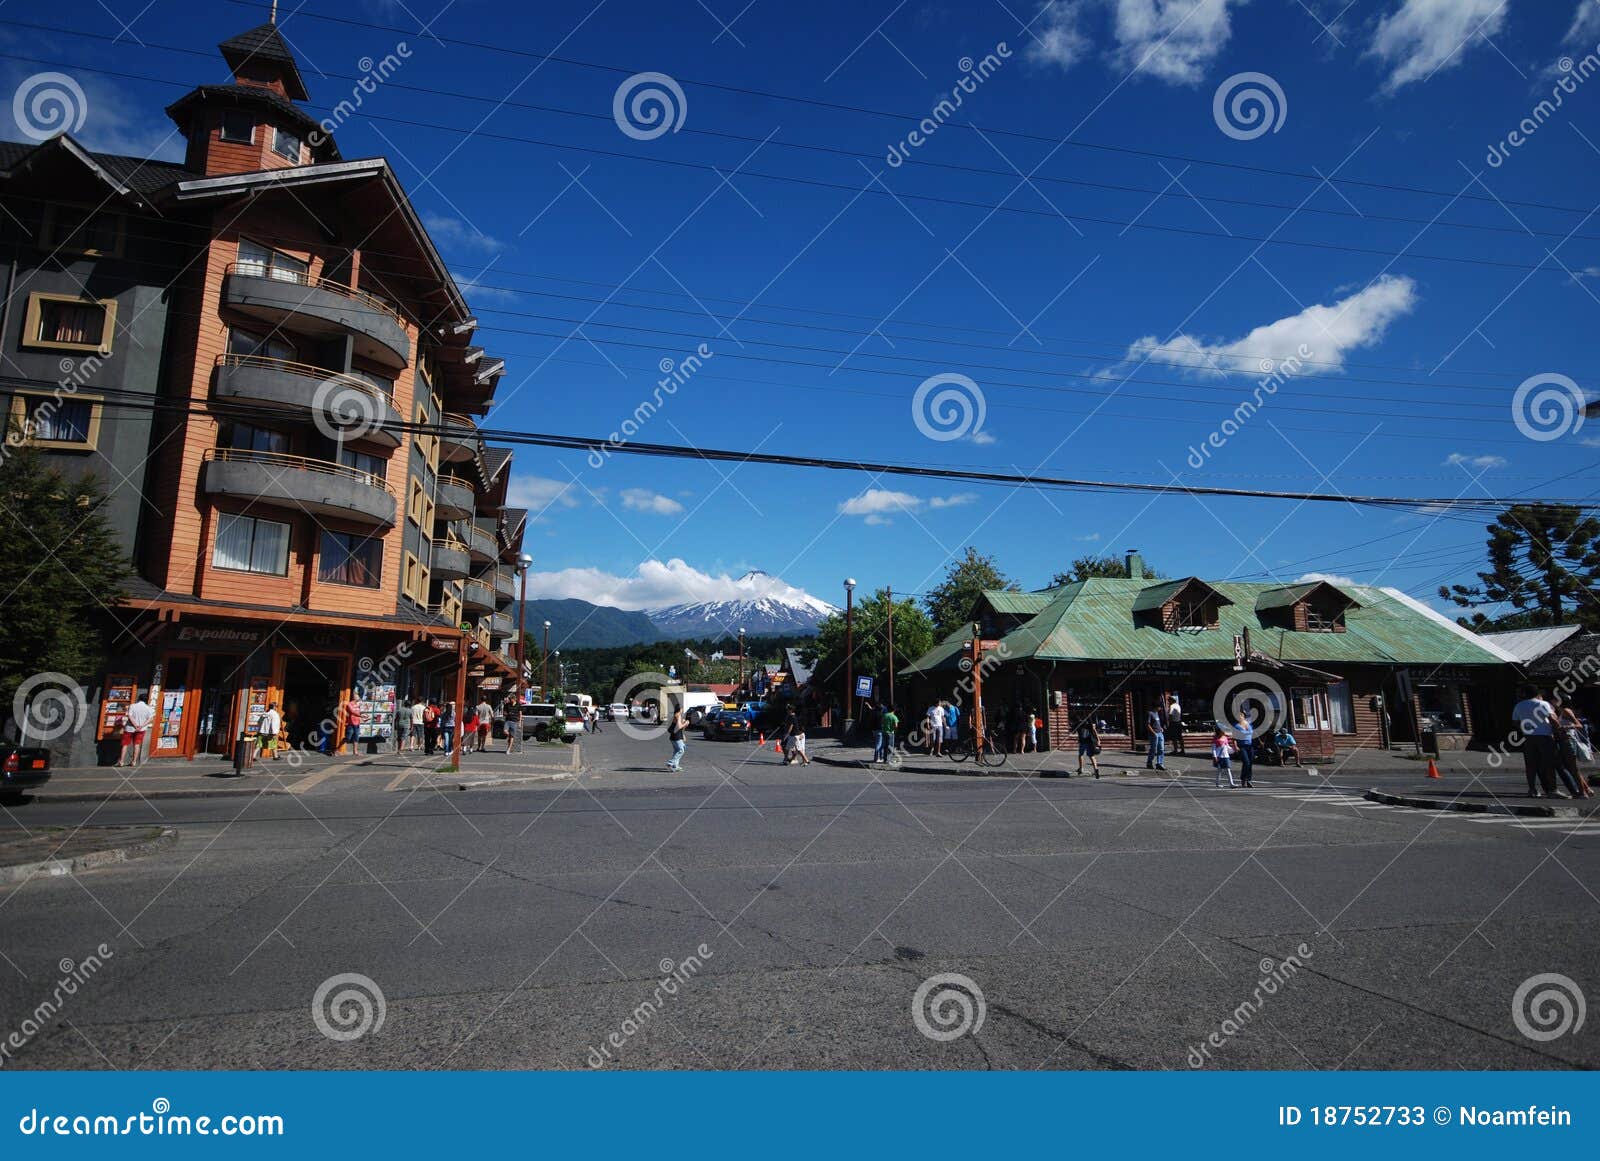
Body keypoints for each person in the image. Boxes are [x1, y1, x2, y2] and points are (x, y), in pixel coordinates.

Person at [1511, 684, 1561, 798]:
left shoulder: (1519, 705)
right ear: (1537, 693)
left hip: (1528, 737)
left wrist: (1525, 729)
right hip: (1544, 736)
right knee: (1548, 764)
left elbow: (1515, 722)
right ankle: (1553, 790)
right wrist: (1558, 731)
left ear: (1524, 694)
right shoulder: (1543, 704)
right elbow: (1552, 719)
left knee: (1531, 765)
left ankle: (1532, 789)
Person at [1554, 704, 1592, 798]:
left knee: (1573, 768)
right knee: (1570, 768)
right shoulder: (1558, 712)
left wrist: (1567, 727)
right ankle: (1586, 789)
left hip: (1569, 740)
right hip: (1562, 741)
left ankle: (1583, 793)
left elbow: (1579, 725)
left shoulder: (1566, 710)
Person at [116, 691, 154, 768]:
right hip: (141, 729)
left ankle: (121, 761)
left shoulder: (132, 706)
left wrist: (135, 725)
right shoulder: (149, 708)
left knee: (125, 744)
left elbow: (130, 716)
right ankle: (134, 761)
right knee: (137, 745)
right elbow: (150, 719)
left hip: (129, 728)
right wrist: (141, 726)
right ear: (147, 700)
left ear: (139, 698)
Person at [1234, 711, 1254, 787]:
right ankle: (1243, 779)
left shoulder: (1249, 724)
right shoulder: (1236, 726)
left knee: (1250, 763)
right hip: (1241, 746)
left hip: (1250, 745)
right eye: (1238, 715)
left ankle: (1249, 780)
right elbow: (1234, 738)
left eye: (1241, 715)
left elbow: (1253, 734)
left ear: (1244, 716)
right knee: (1246, 762)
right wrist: (1235, 746)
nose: (1239, 717)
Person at [1145, 704, 1167, 771]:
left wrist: (1161, 728)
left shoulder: (1157, 714)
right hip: (1154, 734)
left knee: (1161, 749)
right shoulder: (1150, 713)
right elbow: (1148, 724)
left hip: (1160, 733)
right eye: (1160, 707)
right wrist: (1153, 733)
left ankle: (1159, 763)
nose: (1160, 708)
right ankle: (1149, 762)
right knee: (1153, 749)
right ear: (1156, 707)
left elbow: (1157, 723)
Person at [666, 707, 688, 772]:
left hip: (675, 736)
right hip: (676, 737)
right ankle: (671, 763)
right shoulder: (678, 716)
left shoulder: (676, 716)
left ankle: (675, 765)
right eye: (682, 708)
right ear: (680, 709)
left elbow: (679, 727)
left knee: (677, 750)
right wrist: (685, 723)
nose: (683, 710)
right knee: (681, 750)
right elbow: (679, 727)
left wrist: (683, 734)